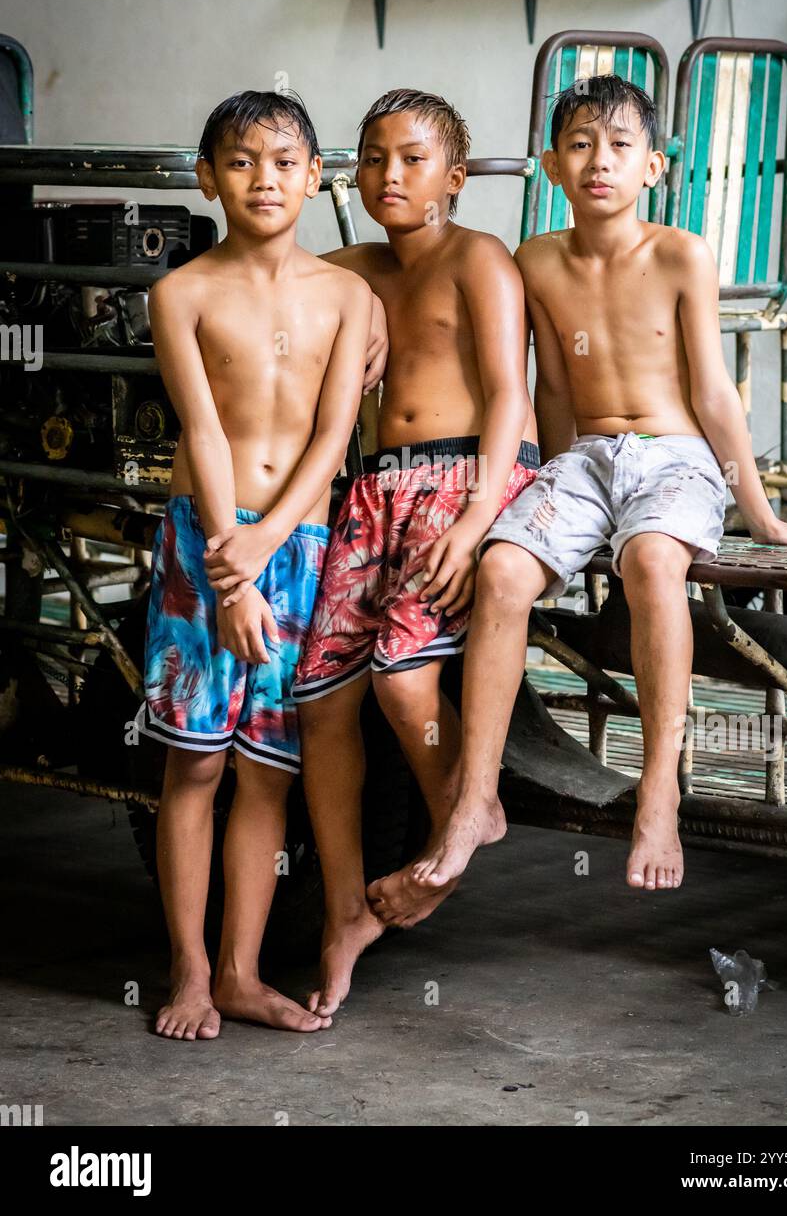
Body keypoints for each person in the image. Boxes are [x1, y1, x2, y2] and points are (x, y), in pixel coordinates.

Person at [409, 73, 787, 900]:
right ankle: (475, 794)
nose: (599, 161)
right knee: (500, 571)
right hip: (585, 462)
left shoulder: (680, 254)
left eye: (620, 145)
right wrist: (538, 504)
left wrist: (762, 515)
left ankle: (658, 792)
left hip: (675, 456)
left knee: (649, 562)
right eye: (579, 145)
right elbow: (553, 396)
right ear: (552, 166)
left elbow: (713, 393)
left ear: (653, 167)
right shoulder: (535, 262)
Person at [291, 89, 539, 1016]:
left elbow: (511, 399)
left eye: (412, 159)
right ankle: (345, 911)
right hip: (374, 491)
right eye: (371, 159)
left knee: (402, 679)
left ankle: (463, 821)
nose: (389, 176)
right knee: (321, 696)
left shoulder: (480, 258)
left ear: (455, 178)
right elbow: (272, 278)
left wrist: (476, 523)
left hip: (468, 482)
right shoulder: (351, 269)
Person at [137, 89, 376, 1039]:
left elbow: (332, 438)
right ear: (207, 178)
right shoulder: (181, 293)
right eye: (240, 162)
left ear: (315, 180)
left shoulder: (347, 296)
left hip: (300, 544)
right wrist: (230, 577)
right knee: (194, 766)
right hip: (206, 546)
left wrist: (269, 546)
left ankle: (241, 971)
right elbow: (200, 431)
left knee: (267, 772)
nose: (263, 179)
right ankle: (190, 973)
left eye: (284, 162)